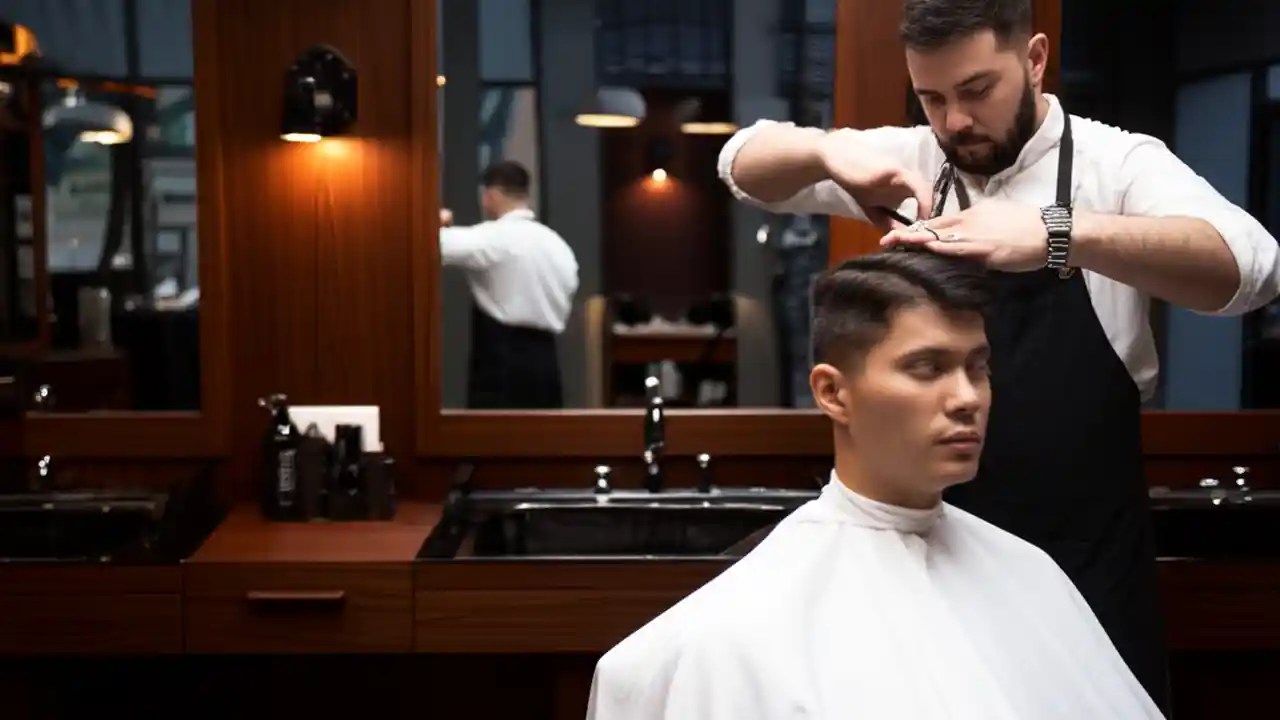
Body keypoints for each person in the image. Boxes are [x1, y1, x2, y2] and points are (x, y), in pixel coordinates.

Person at [715, 0, 1280, 711]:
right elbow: (742, 164)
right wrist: (829, 151)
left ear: (1034, 60)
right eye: (932, 97)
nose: (954, 121)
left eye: (977, 91)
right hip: (931, 564)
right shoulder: (918, 159)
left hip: (1081, 554)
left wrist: (1056, 234)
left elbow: (1254, 267)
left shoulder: (1117, 163)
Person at [586, 249, 1165, 719]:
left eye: (977, 366)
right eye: (928, 368)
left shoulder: (1031, 574)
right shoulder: (744, 632)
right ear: (833, 393)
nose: (967, 397)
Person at [438, 160, 579, 409]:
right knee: (545, 441)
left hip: (503, 365)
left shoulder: (493, 238)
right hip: (548, 364)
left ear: (489, 196)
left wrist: (440, 222)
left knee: (497, 444)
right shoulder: (558, 246)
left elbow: (427, 244)